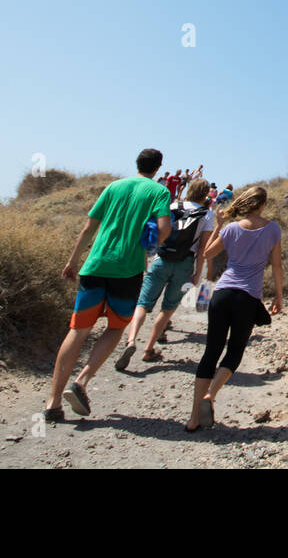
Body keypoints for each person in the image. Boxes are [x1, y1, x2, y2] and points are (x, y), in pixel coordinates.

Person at [44, 148, 171, 422]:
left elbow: (88, 227)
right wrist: (149, 248)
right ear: (158, 168)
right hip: (127, 271)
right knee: (115, 327)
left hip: (94, 265)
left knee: (78, 330)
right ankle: (82, 381)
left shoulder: (114, 186)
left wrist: (72, 261)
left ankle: (52, 404)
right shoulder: (158, 192)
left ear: (136, 163)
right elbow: (164, 229)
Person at [186, 186, 282, 432]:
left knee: (211, 351)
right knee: (235, 351)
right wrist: (279, 296)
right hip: (247, 297)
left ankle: (193, 418)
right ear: (262, 205)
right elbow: (277, 266)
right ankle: (211, 394)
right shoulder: (272, 229)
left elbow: (207, 253)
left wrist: (219, 224)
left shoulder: (231, 228)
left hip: (222, 293)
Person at [115, 179, 216, 371]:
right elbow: (203, 248)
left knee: (143, 303)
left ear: (189, 189)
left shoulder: (172, 205)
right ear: (205, 194)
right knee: (168, 307)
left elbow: (153, 229)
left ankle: (131, 340)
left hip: (161, 259)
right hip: (185, 263)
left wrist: (146, 255)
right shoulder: (207, 214)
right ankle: (149, 348)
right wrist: (197, 273)